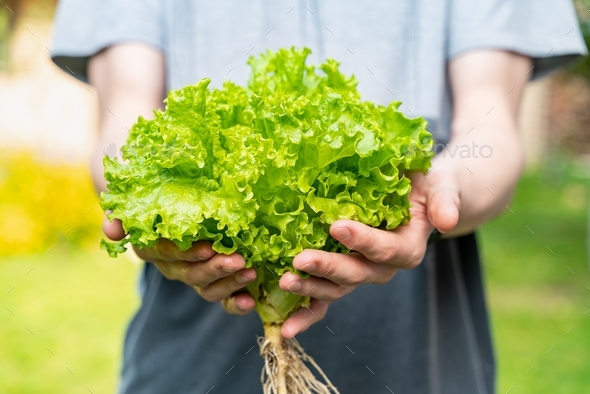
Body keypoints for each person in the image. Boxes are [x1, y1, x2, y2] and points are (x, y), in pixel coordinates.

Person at [51, 1, 586, 393]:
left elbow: (489, 131)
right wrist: (152, 203)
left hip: (419, 369)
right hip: (190, 372)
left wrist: (441, 189)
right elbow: (125, 130)